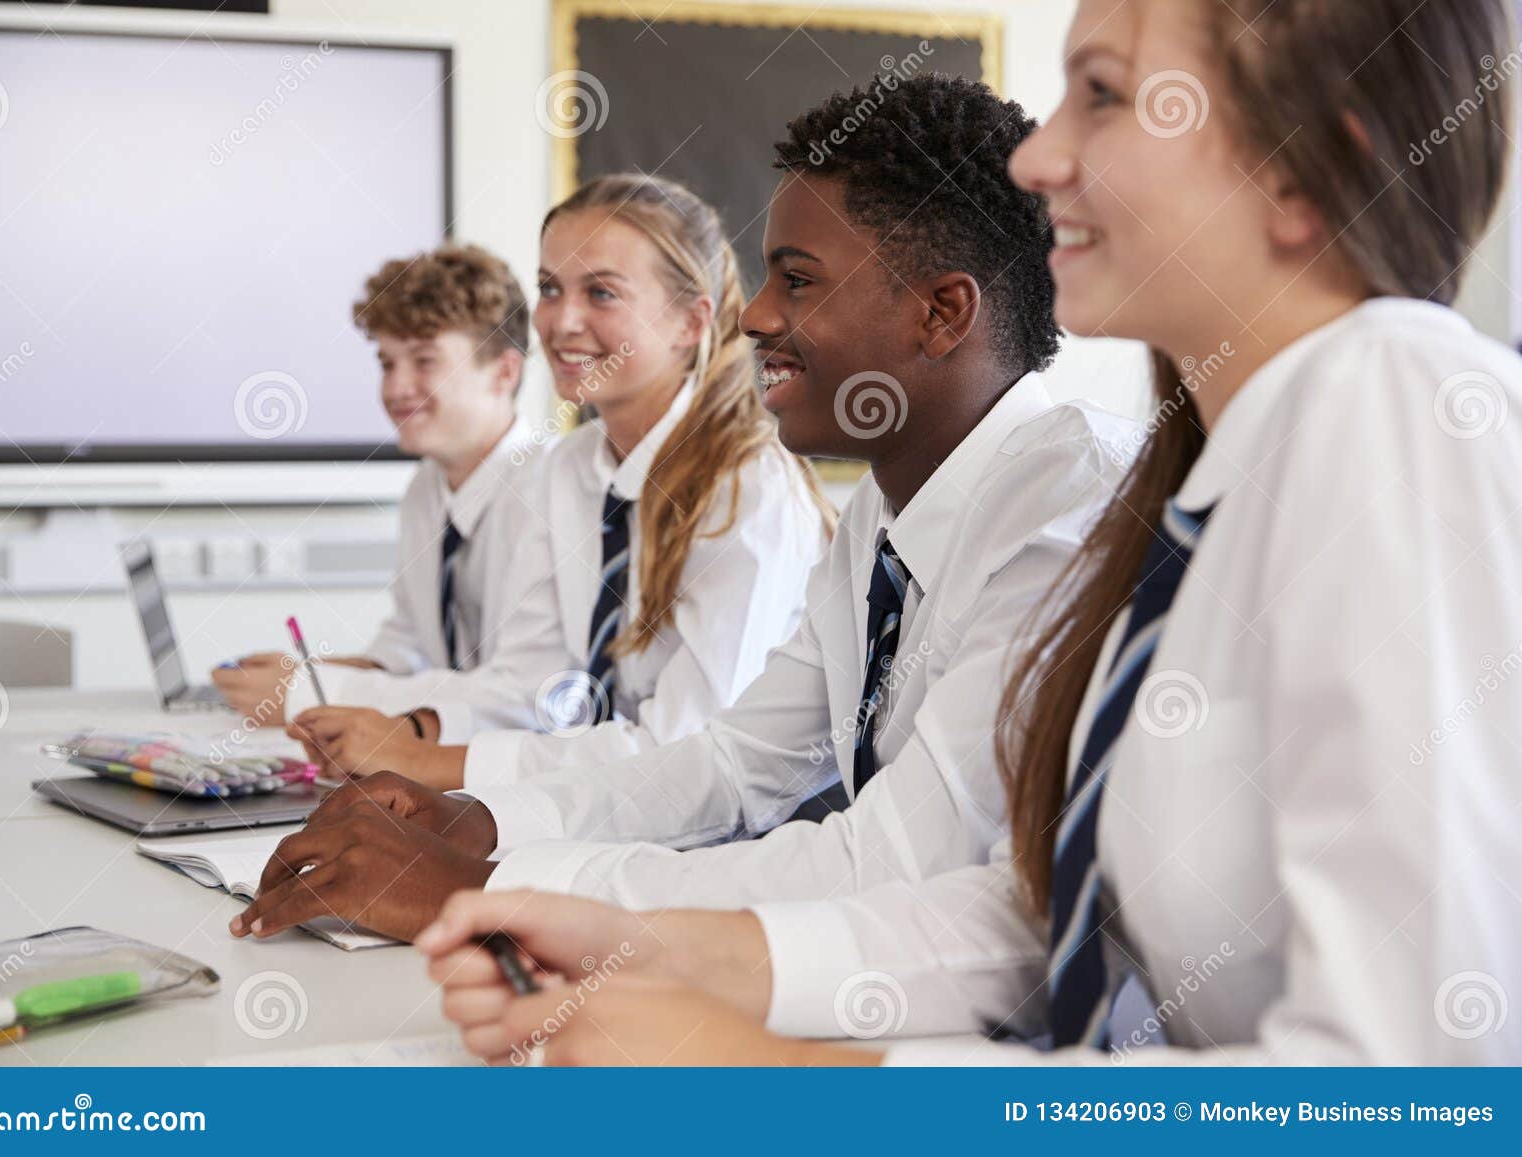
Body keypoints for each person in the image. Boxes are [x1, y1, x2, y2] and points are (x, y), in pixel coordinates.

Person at [419, 0, 1522, 1066]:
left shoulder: (1395, 394)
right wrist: (647, 941)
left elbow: (1412, 1086)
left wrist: (785, 1075)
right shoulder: (1197, 492)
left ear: (1297, 170)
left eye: (1102, 95)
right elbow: (1048, 914)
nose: (1040, 160)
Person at [230, 73, 1139, 941]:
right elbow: (732, 762)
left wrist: (486, 891)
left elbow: (894, 862)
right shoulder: (883, 514)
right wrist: (478, 819)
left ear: (941, 314)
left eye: (799, 279)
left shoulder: (1068, 512)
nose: (757, 317)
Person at [278, 175, 831, 786]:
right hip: (590, 804)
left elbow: (687, 753)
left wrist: (425, 760)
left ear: (690, 322)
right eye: (549, 288)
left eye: (601, 293)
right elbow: (529, 687)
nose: (563, 321)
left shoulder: (746, 489)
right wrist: (405, 734)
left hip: (722, 835)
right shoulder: (567, 469)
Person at [211, 245, 541, 724]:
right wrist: (306, 674)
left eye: (424, 361)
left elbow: (518, 696)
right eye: (387, 364)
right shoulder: (426, 489)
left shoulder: (547, 493)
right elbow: (411, 647)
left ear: (504, 372)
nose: (395, 388)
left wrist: (317, 692)